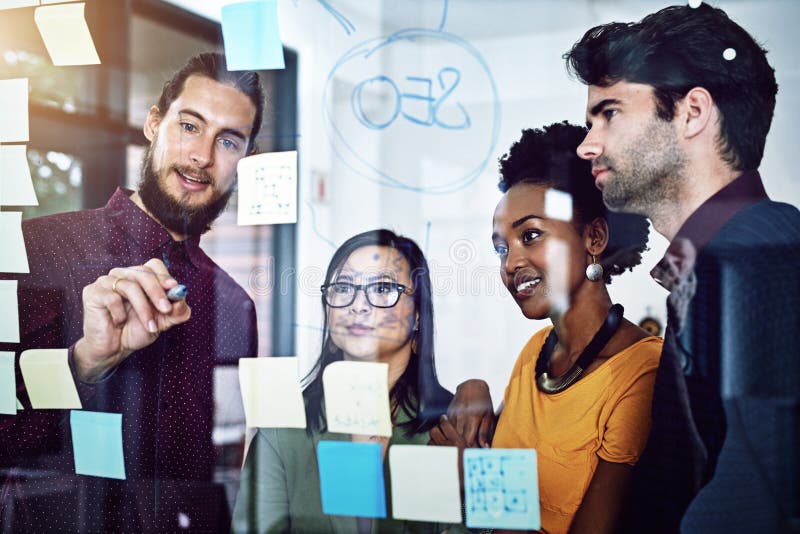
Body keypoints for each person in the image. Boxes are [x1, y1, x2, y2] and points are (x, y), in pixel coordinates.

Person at [0, 53, 262, 531]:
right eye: (189, 125)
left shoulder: (233, 304)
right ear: (153, 122)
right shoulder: (35, 253)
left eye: (227, 141)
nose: (202, 156)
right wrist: (81, 364)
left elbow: (216, 472)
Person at [565, 3, 800, 532]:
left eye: (610, 113)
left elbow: (762, 499)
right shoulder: (722, 260)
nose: (587, 144)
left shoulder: (758, 253)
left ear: (693, 113)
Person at [432, 122, 663, 534]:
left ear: (594, 236)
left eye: (531, 235)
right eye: (501, 247)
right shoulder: (536, 353)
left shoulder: (641, 371)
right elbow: (488, 480)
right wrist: (474, 389)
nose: (509, 263)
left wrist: (474, 484)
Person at [232, 229, 462, 533]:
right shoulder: (284, 427)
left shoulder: (452, 424)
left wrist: (464, 493)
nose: (358, 305)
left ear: (418, 314)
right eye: (343, 287)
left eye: (382, 288)